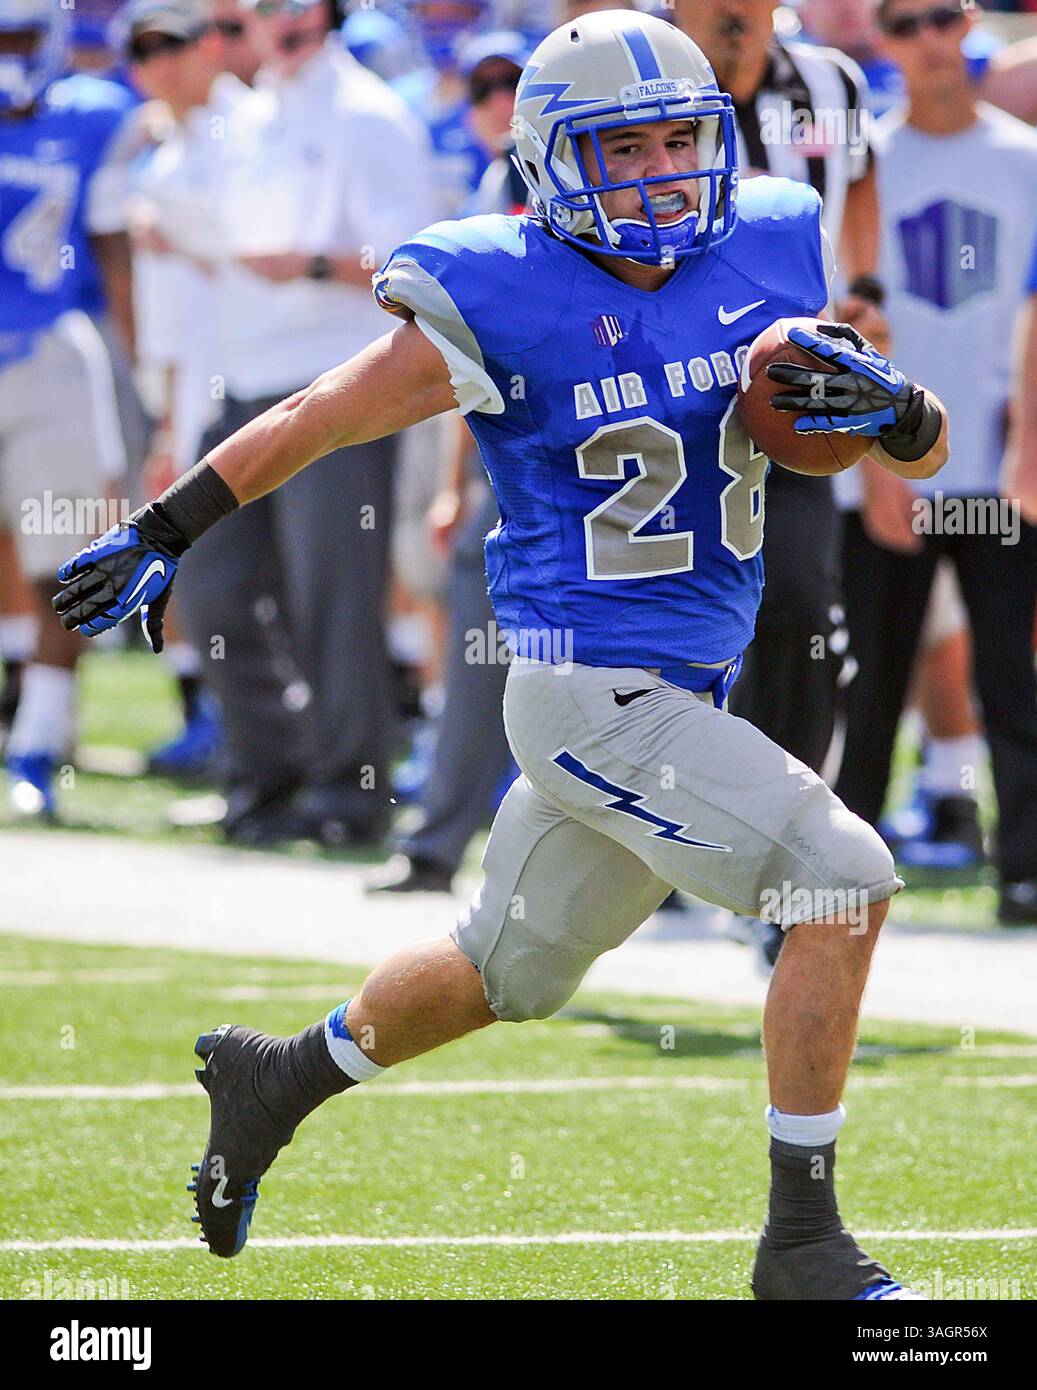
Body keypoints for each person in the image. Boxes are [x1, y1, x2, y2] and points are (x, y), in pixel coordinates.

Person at [55, 10, 949, 1299]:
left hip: (679, 693)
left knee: (501, 974)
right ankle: (802, 1247)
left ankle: (274, 1078)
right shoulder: (502, 285)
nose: (655, 172)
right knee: (841, 879)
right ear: (545, 161)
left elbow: (914, 459)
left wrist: (900, 409)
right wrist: (163, 525)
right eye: (618, 146)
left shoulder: (765, 241)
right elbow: (316, 412)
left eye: (673, 141)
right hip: (588, 693)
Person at [166, 0, 433, 845]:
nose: (270, 20)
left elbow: (411, 264)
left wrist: (312, 264)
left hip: (336, 386)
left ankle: (349, 794)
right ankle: (267, 773)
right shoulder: (244, 118)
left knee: (334, 600)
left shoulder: (370, 115)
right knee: (209, 589)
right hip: (241, 383)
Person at [833, 0, 1037, 926]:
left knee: (1013, 684)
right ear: (880, 39)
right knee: (866, 694)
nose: (927, 39)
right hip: (888, 469)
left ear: (970, 26)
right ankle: (833, 888)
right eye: (904, 22)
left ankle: (1025, 872)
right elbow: (839, 328)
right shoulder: (862, 165)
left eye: (942, 16)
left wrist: (1026, 454)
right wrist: (876, 463)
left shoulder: (1023, 158)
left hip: (996, 472)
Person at [1, 0, 131, 817]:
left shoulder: (94, 118)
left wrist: (147, 368)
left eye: (17, 38)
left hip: (51, 351)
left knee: (63, 558)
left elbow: (115, 245)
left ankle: (40, 743)